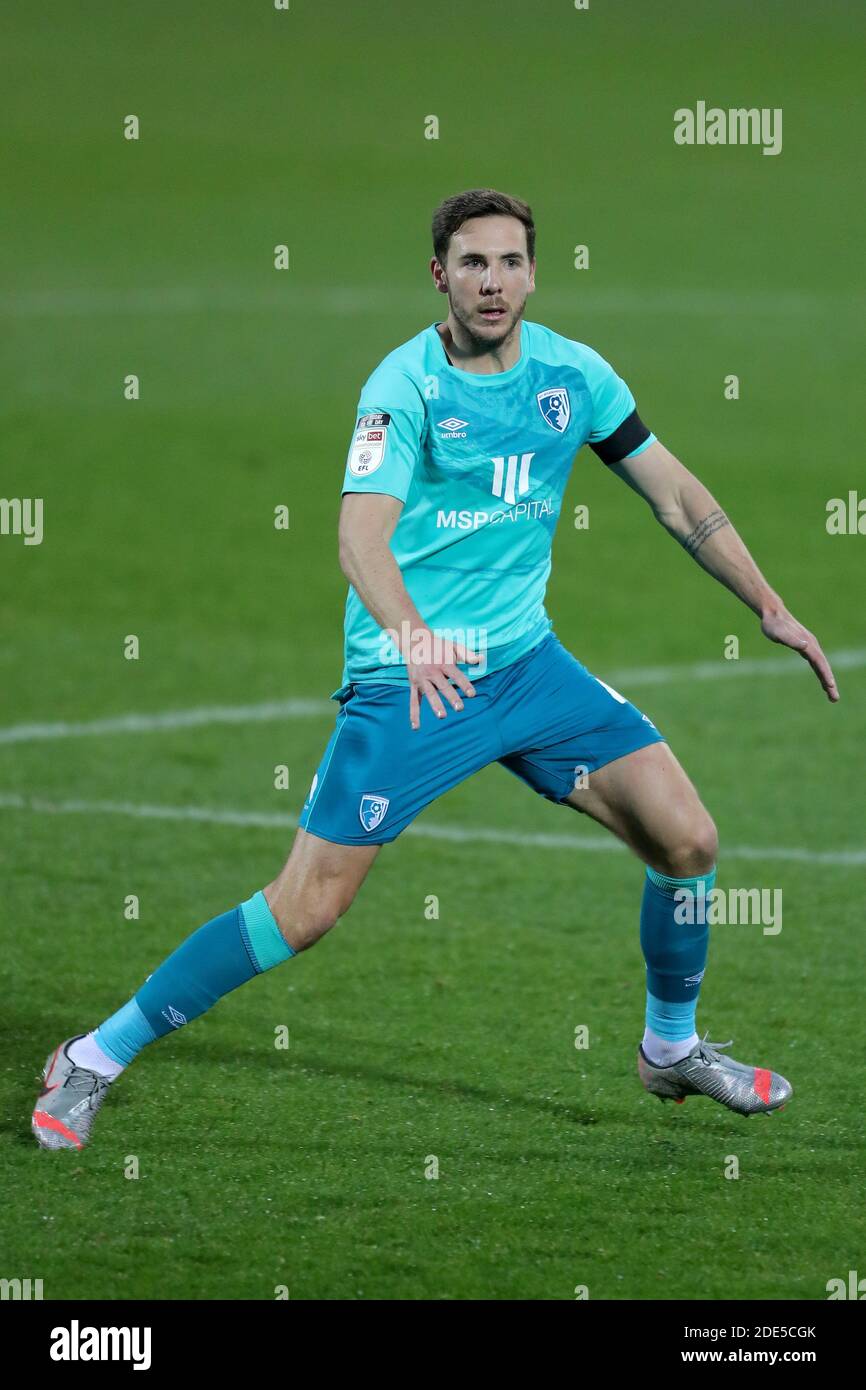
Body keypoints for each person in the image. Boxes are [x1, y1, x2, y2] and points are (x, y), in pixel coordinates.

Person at [32, 188, 839, 1150]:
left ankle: (671, 1048)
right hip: (410, 678)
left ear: (533, 274)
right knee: (307, 908)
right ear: (439, 275)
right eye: (471, 263)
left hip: (529, 669)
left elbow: (677, 498)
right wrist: (414, 638)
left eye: (508, 263)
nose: (491, 283)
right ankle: (94, 1056)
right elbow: (359, 538)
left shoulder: (576, 378)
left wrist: (769, 603)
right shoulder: (403, 387)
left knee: (688, 841)